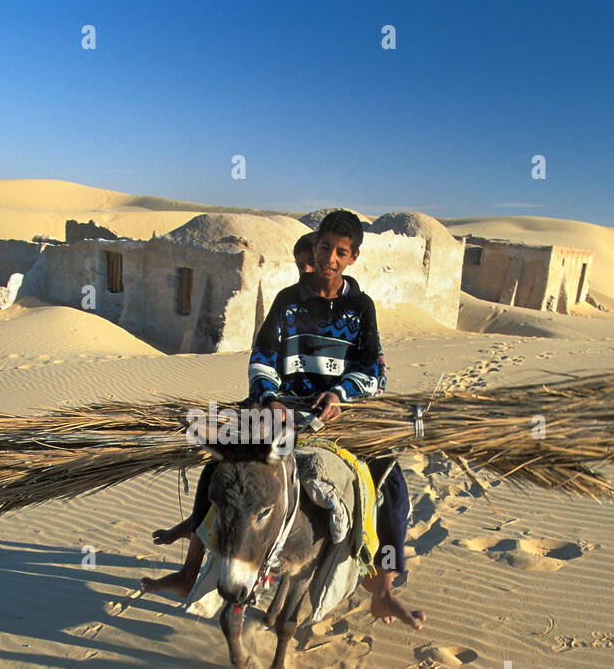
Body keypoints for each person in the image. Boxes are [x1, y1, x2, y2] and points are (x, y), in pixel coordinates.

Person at [143, 211, 424, 629]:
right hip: (279, 408)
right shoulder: (287, 301)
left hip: (336, 412)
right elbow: (262, 357)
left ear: (353, 257)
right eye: (324, 247)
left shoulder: (360, 307)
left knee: (393, 488)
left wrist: (340, 391)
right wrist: (269, 396)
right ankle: (192, 569)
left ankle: (382, 592)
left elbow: (374, 371)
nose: (329, 257)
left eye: (340, 252)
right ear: (315, 247)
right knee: (220, 465)